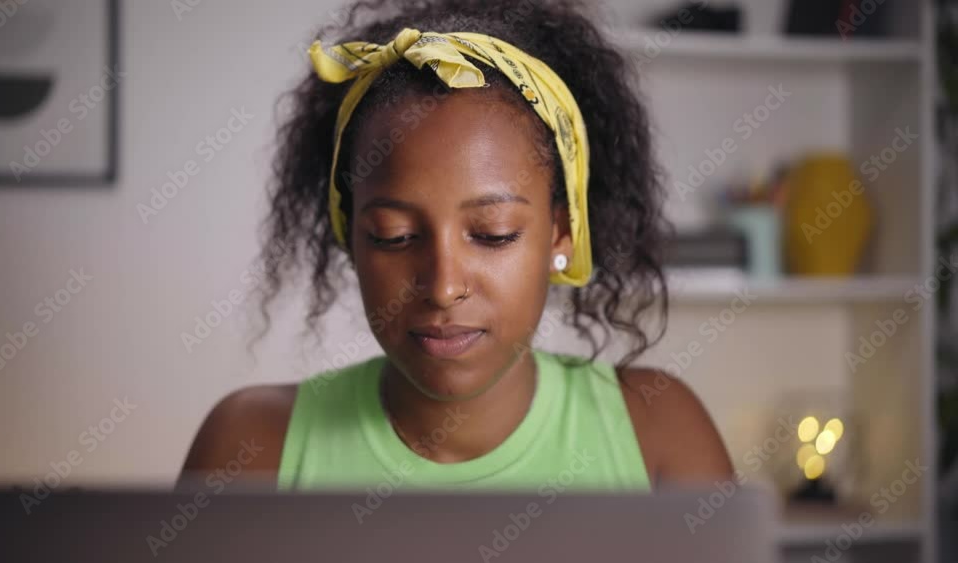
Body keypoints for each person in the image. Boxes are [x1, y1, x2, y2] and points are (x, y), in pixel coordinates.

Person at [180, 0, 733, 493]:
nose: (443, 287)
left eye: (493, 234)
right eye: (394, 237)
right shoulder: (249, 449)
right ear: (350, 236)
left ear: (561, 233)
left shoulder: (661, 436)